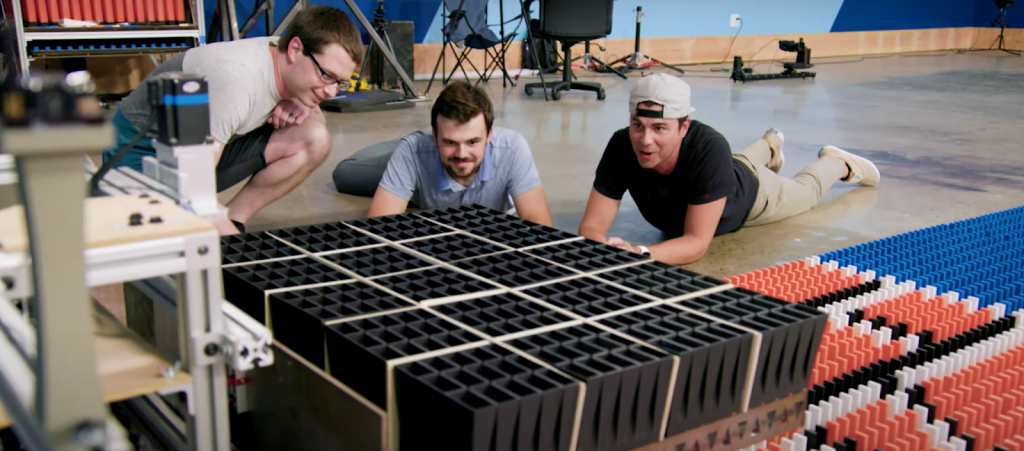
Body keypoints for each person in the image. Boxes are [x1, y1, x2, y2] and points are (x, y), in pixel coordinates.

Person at [102, 6, 362, 235]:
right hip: (139, 157)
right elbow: (195, 190)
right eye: (326, 75)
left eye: (340, 81)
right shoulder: (236, 80)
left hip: (193, 149)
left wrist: (305, 104)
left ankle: (233, 219)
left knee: (313, 138)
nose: (331, 91)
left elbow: (313, 120)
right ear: (295, 49)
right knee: (162, 244)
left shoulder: (288, 56)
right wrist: (236, 253)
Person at [578, 73, 881, 265]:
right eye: (638, 125)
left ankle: (837, 162)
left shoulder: (708, 148)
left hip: (751, 196)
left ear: (685, 126)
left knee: (807, 192)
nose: (645, 141)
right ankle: (769, 144)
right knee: (735, 161)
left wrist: (640, 254)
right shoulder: (621, 145)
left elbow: (696, 244)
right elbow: (591, 227)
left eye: (659, 128)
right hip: (726, 169)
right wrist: (603, 247)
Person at [334, 82, 553, 226]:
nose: (462, 154)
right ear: (435, 135)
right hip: (419, 152)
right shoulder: (413, 151)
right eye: (450, 142)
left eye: (473, 142)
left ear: (490, 135)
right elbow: (379, 227)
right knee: (344, 175)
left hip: (430, 153)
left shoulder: (512, 148)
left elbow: (539, 224)